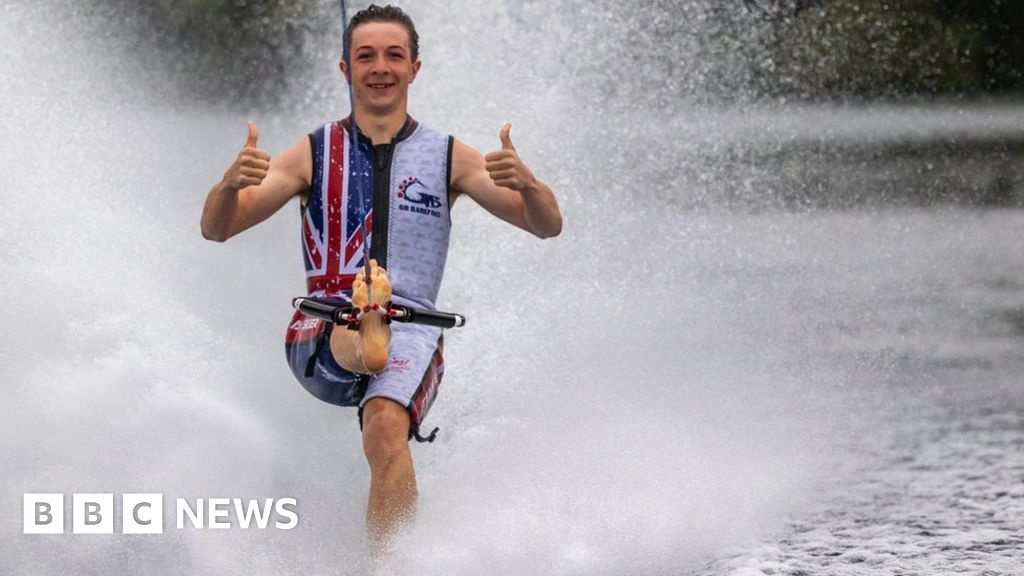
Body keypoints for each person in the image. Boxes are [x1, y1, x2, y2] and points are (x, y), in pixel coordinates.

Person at [199, 4, 562, 553]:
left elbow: (546, 227)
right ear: (345, 69)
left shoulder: (450, 157)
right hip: (322, 326)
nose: (380, 67)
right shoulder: (312, 153)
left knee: (387, 428)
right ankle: (365, 333)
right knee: (358, 328)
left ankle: (393, 566)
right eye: (365, 56)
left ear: (415, 68)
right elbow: (217, 229)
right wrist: (229, 186)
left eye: (394, 55)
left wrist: (530, 185)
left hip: (412, 328)